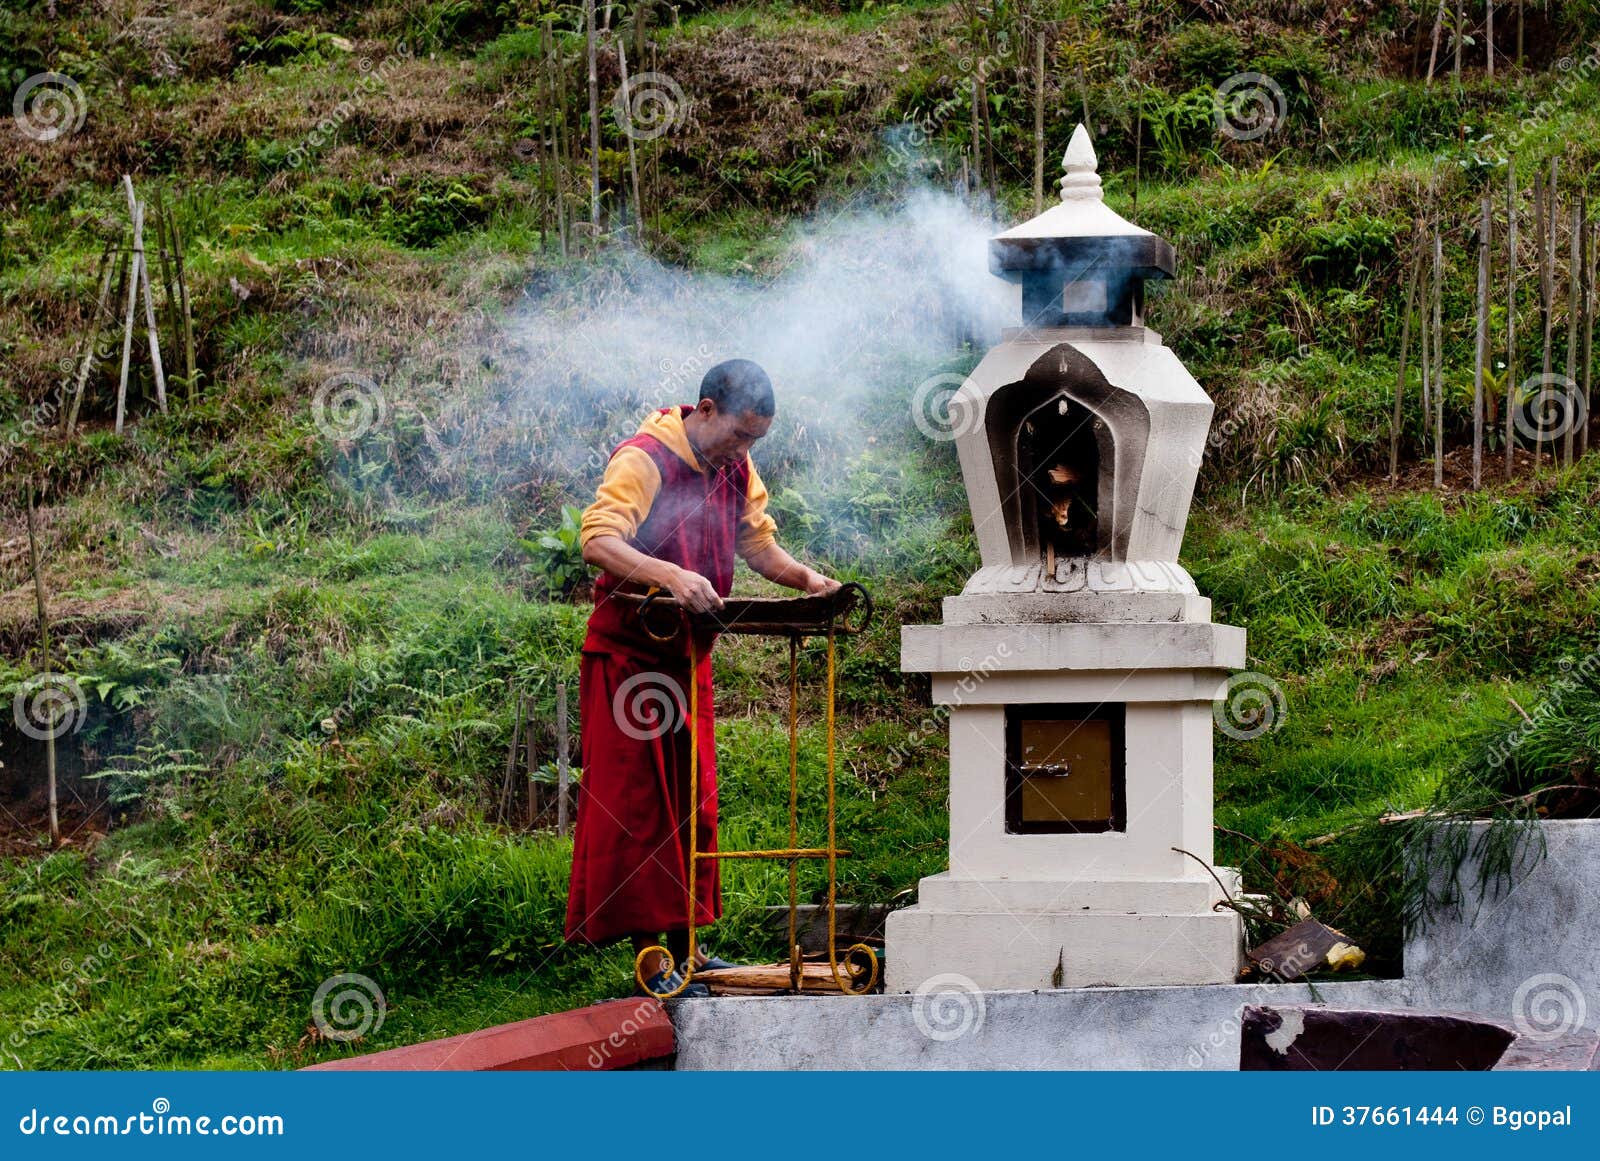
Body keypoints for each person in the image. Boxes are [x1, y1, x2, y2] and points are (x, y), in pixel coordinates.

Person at [564, 358, 840, 996]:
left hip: (687, 660)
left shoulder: (733, 466)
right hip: (630, 662)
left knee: (693, 804)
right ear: (705, 410)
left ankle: (690, 953)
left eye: (755, 441)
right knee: (641, 813)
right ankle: (653, 962)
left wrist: (805, 580)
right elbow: (598, 540)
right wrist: (671, 576)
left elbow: (757, 543)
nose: (744, 451)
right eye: (740, 435)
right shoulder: (644, 458)